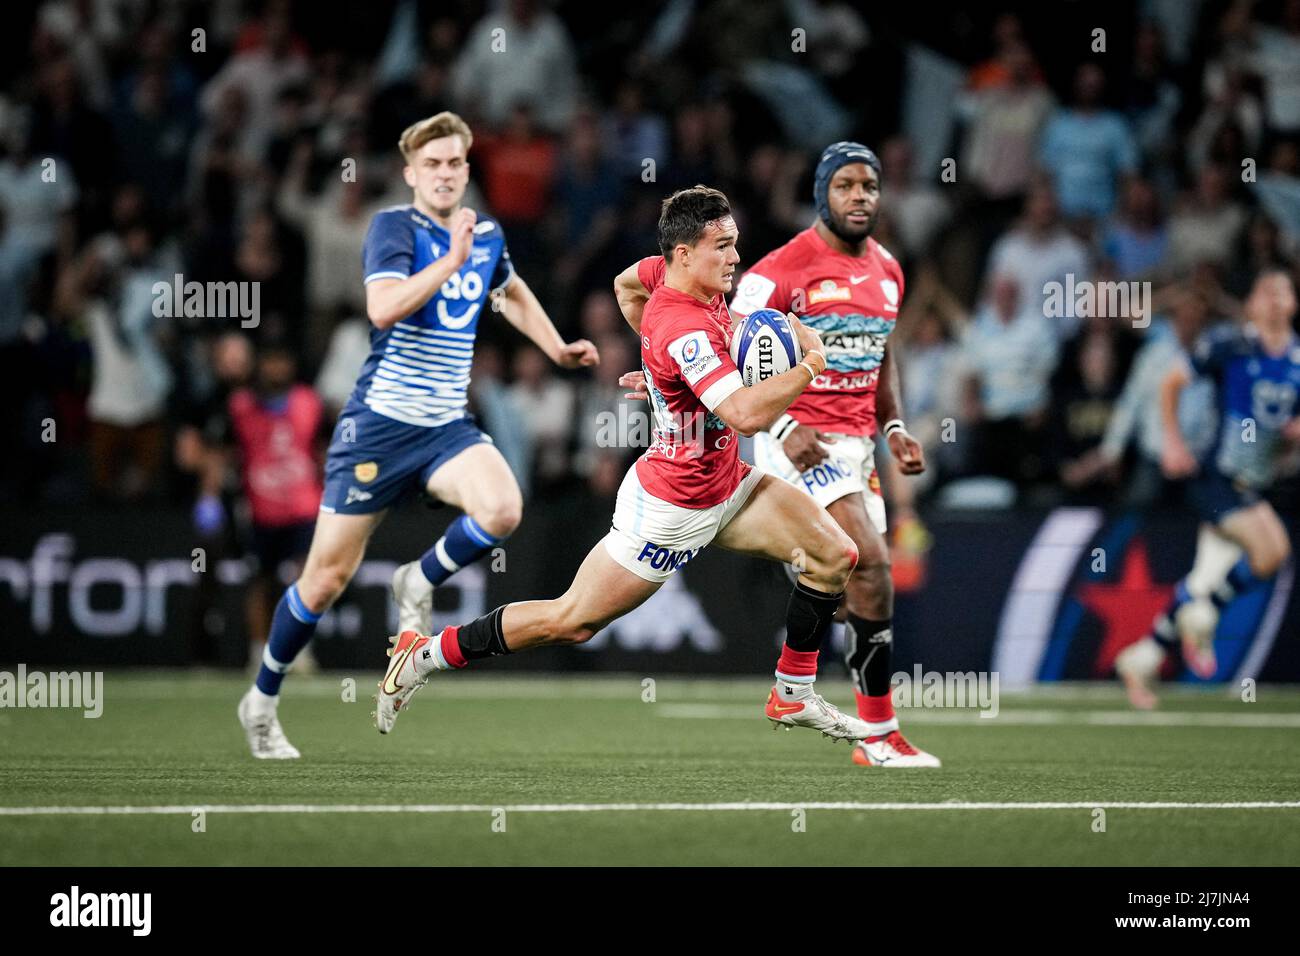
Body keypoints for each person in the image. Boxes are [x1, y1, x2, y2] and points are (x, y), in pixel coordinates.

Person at [376, 185, 871, 747]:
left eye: (735, 244)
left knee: (835, 555)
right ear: (685, 254)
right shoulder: (686, 329)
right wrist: (810, 364)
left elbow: (624, 286)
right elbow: (744, 415)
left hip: (726, 484)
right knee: (571, 620)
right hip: (670, 508)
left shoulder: (664, 275)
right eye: (723, 247)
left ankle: (793, 692)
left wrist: (664, 381)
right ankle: (427, 653)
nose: (735, 258)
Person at [237, 111, 598, 758]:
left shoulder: (482, 232)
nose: (444, 173)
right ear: (410, 173)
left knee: (503, 507)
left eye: (455, 162)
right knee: (322, 581)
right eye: (431, 164)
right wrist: (451, 259)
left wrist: (555, 346)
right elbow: (383, 307)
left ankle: (418, 579)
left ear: (466, 169)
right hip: (378, 429)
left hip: (443, 428)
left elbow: (508, 291)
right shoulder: (393, 228)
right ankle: (261, 700)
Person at [617, 143, 939, 768]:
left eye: (869, 186)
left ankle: (873, 732)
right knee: (867, 561)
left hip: (857, 445)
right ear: (822, 192)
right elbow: (717, 334)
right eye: (845, 185)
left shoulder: (890, 272)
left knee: (863, 584)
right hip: (799, 436)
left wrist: (892, 423)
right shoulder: (778, 270)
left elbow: (881, 351)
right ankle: (856, 719)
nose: (860, 197)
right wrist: (782, 419)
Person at [1117, 270, 1299, 708]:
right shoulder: (1230, 344)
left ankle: (1141, 660)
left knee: (1202, 581)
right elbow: (1171, 383)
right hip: (1217, 478)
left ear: (1294, 302)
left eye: (1283, 291)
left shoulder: (1297, 358)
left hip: (1255, 482)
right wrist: (1174, 442)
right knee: (1272, 549)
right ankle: (1209, 612)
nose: (1275, 299)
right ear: (1251, 304)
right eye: (1265, 290)